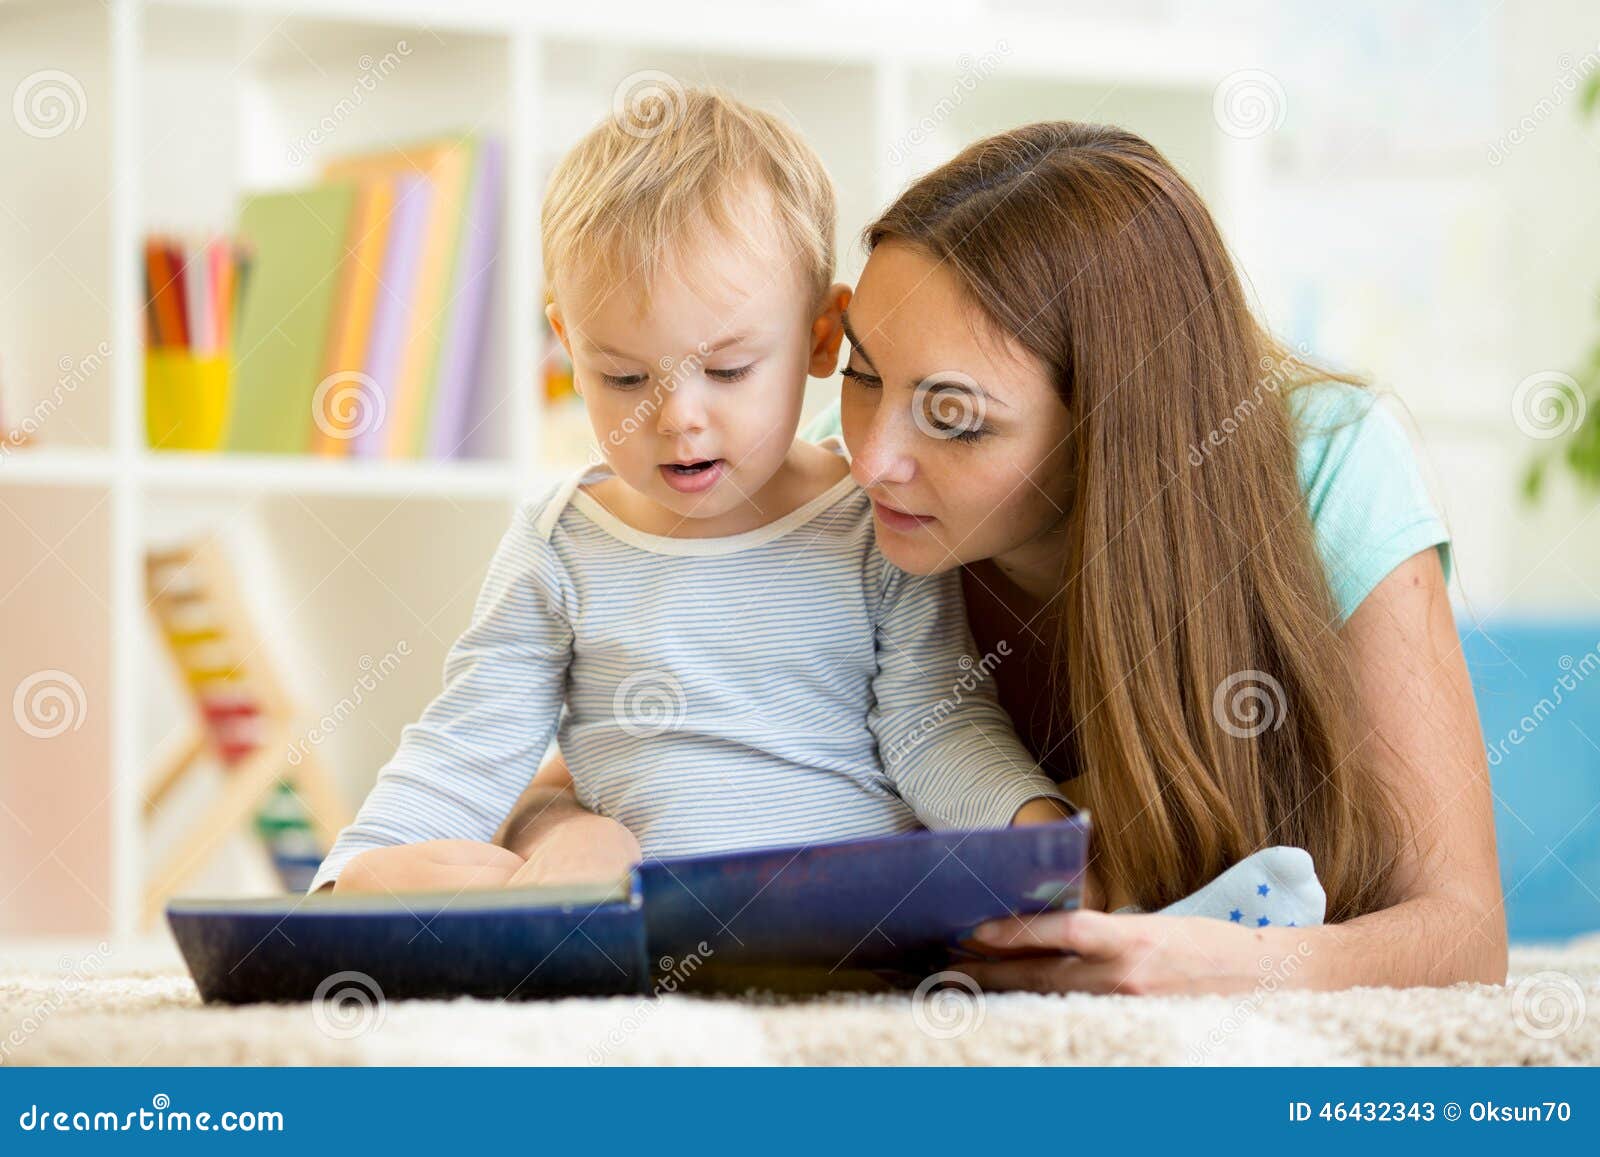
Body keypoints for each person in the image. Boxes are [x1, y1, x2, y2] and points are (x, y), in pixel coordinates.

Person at [513, 121, 1507, 994]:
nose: (872, 453)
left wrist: (1231, 964)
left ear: (1110, 423)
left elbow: (1462, 932)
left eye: (955, 417)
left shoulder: (1325, 463)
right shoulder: (831, 485)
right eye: (862, 373)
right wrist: (568, 839)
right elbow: (581, 767)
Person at [308, 89, 1072, 898]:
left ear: (820, 340)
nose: (677, 418)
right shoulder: (562, 543)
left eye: (729, 371)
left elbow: (935, 725)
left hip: (846, 931)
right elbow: (471, 741)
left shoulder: (870, 524)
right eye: (625, 375)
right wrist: (354, 872)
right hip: (637, 938)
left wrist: (1038, 838)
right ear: (567, 346)